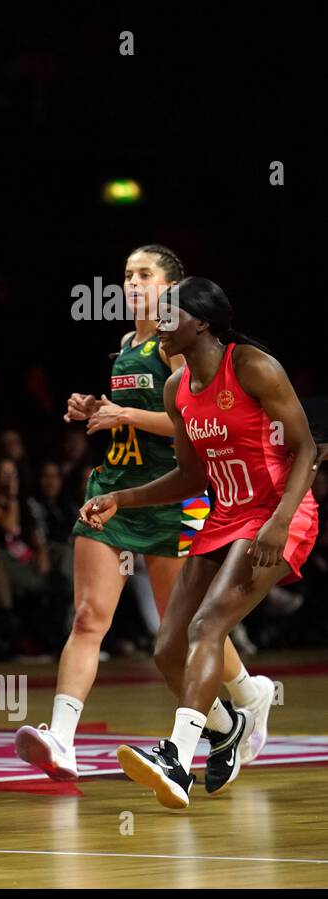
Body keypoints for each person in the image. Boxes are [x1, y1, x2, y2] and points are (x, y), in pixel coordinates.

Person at [15, 246, 271, 781]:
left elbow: (190, 423)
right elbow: (131, 420)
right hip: (113, 490)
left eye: (145, 274)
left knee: (183, 634)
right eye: (127, 275)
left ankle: (246, 698)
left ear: (172, 287)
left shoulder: (178, 348)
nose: (133, 282)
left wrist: (123, 413)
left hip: (172, 500)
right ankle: (61, 739)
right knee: (88, 617)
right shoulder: (127, 346)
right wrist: (95, 411)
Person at [85, 278, 319, 808]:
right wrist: (123, 498)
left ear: (202, 323)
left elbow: (307, 448)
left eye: (170, 315)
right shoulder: (178, 390)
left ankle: (176, 756)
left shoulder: (254, 367)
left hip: (277, 513)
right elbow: (190, 479)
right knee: (166, 649)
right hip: (225, 515)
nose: (159, 325)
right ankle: (227, 727)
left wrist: (280, 522)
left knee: (207, 626)